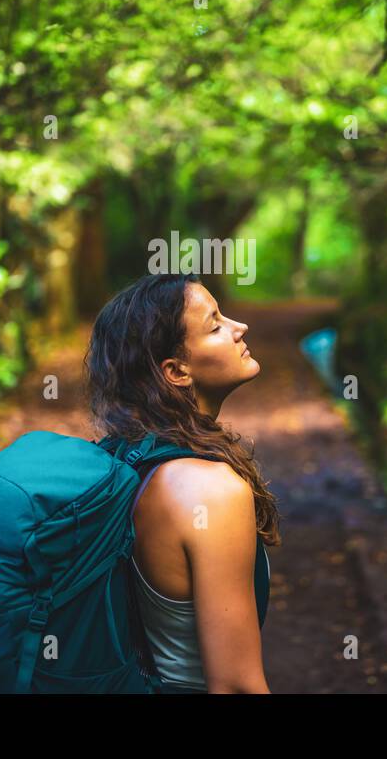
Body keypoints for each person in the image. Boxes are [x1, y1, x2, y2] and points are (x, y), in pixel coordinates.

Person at [85, 272, 281, 693]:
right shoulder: (210, 491)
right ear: (176, 371)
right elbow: (234, 685)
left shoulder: (128, 460)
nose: (238, 327)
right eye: (215, 325)